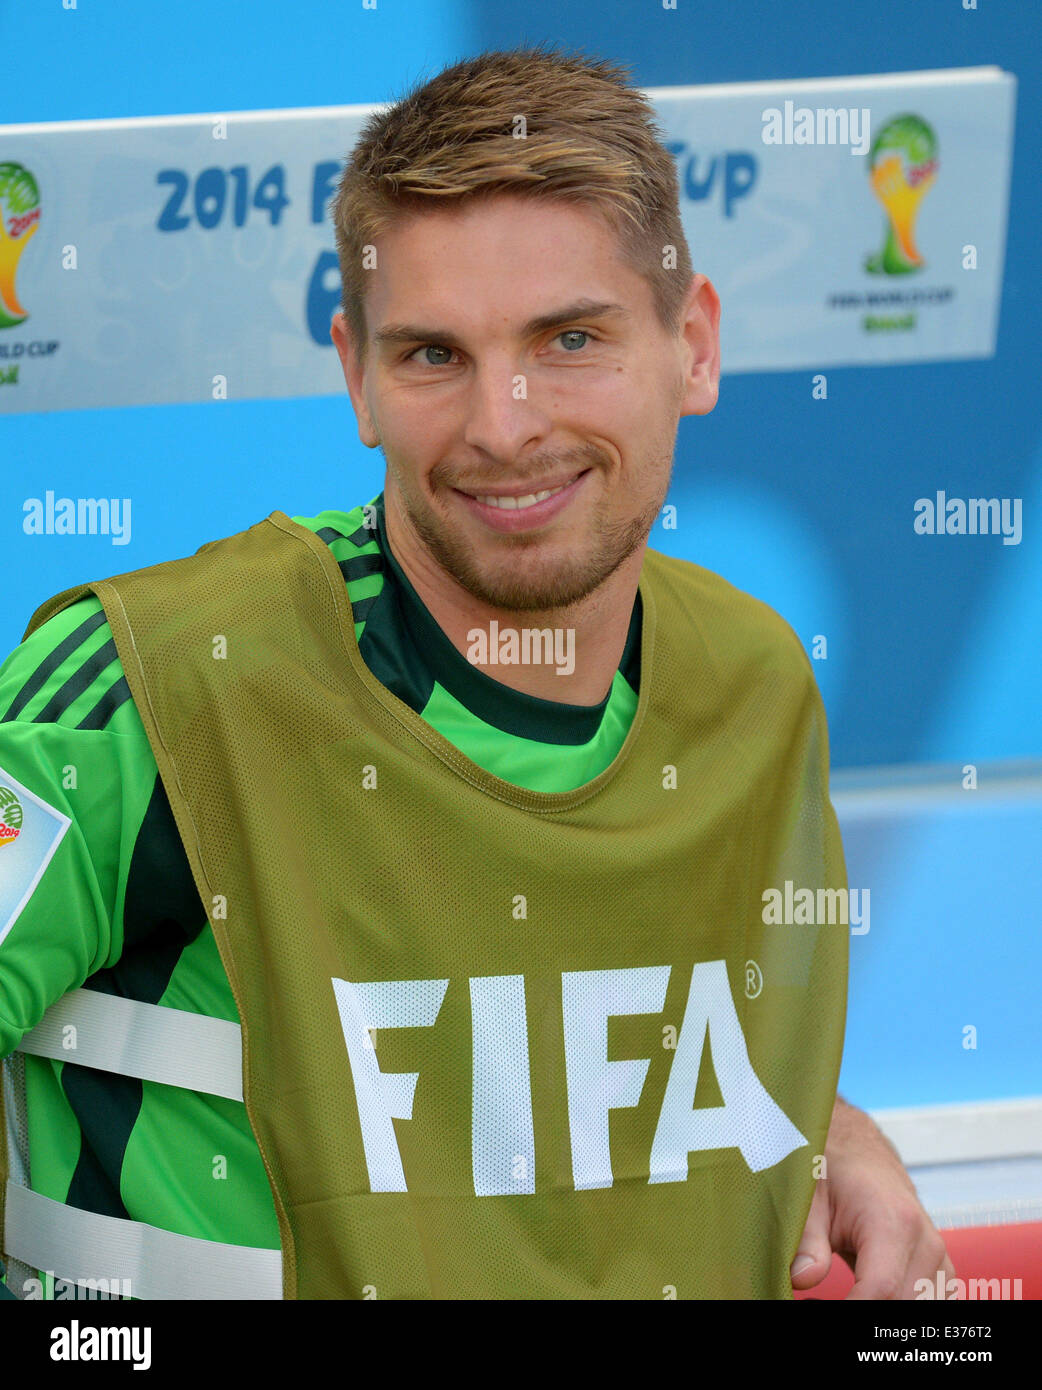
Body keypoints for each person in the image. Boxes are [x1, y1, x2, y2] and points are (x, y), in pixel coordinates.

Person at [0, 45, 953, 1301]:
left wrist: (823, 1129)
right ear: (356, 374)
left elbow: (572, 1020)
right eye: (434, 355)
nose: (504, 424)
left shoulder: (755, 678)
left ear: (696, 346)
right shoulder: (152, 685)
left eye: (569, 338)